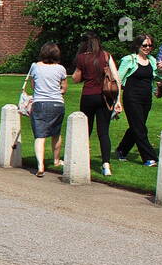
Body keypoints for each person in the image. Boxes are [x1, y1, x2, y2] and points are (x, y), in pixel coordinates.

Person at [71, 32, 121, 176]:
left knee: (86, 130)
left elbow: (75, 78)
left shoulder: (81, 58)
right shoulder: (106, 55)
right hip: (105, 97)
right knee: (103, 132)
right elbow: (116, 78)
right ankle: (106, 164)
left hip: (88, 96)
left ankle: (81, 159)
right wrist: (118, 101)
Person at [116, 34, 159, 167]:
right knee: (140, 128)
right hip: (132, 97)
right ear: (138, 45)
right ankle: (150, 158)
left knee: (136, 126)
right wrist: (117, 100)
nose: (147, 48)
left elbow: (157, 77)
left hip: (146, 98)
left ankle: (121, 150)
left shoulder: (152, 60)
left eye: (150, 45)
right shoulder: (129, 60)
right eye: (144, 45)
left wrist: (161, 70)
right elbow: (118, 80)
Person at [25, 42, 67, 177]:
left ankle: (40, 166)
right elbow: (64, 89)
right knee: (56, 133)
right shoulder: (61, 69)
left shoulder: (35, 67)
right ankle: (56, 160)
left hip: (40, 103)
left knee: (40, 136)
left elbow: (33, 86)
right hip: (57, 104)